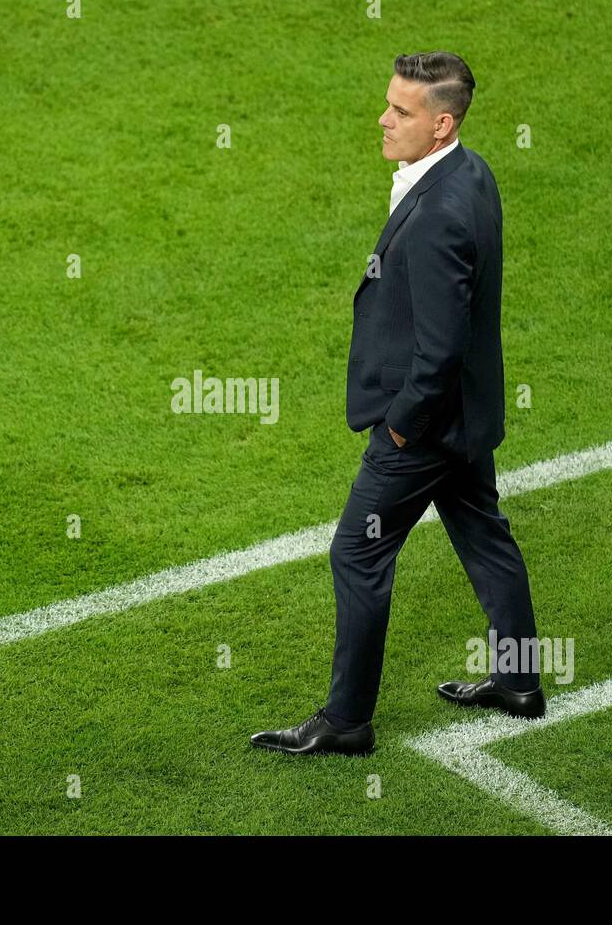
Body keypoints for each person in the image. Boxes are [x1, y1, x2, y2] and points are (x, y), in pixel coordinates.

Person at [251, 51, 544, 757]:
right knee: (483, 533)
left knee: (356, 553)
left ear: (441, 124)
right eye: (388, 104)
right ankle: (520, 681)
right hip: (467, 417)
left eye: (402, 111)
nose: (384, 120)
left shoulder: (442, 209)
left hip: (429, 426)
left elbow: (439, 347)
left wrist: (404, 430)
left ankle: (348, 720)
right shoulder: (469, 171)